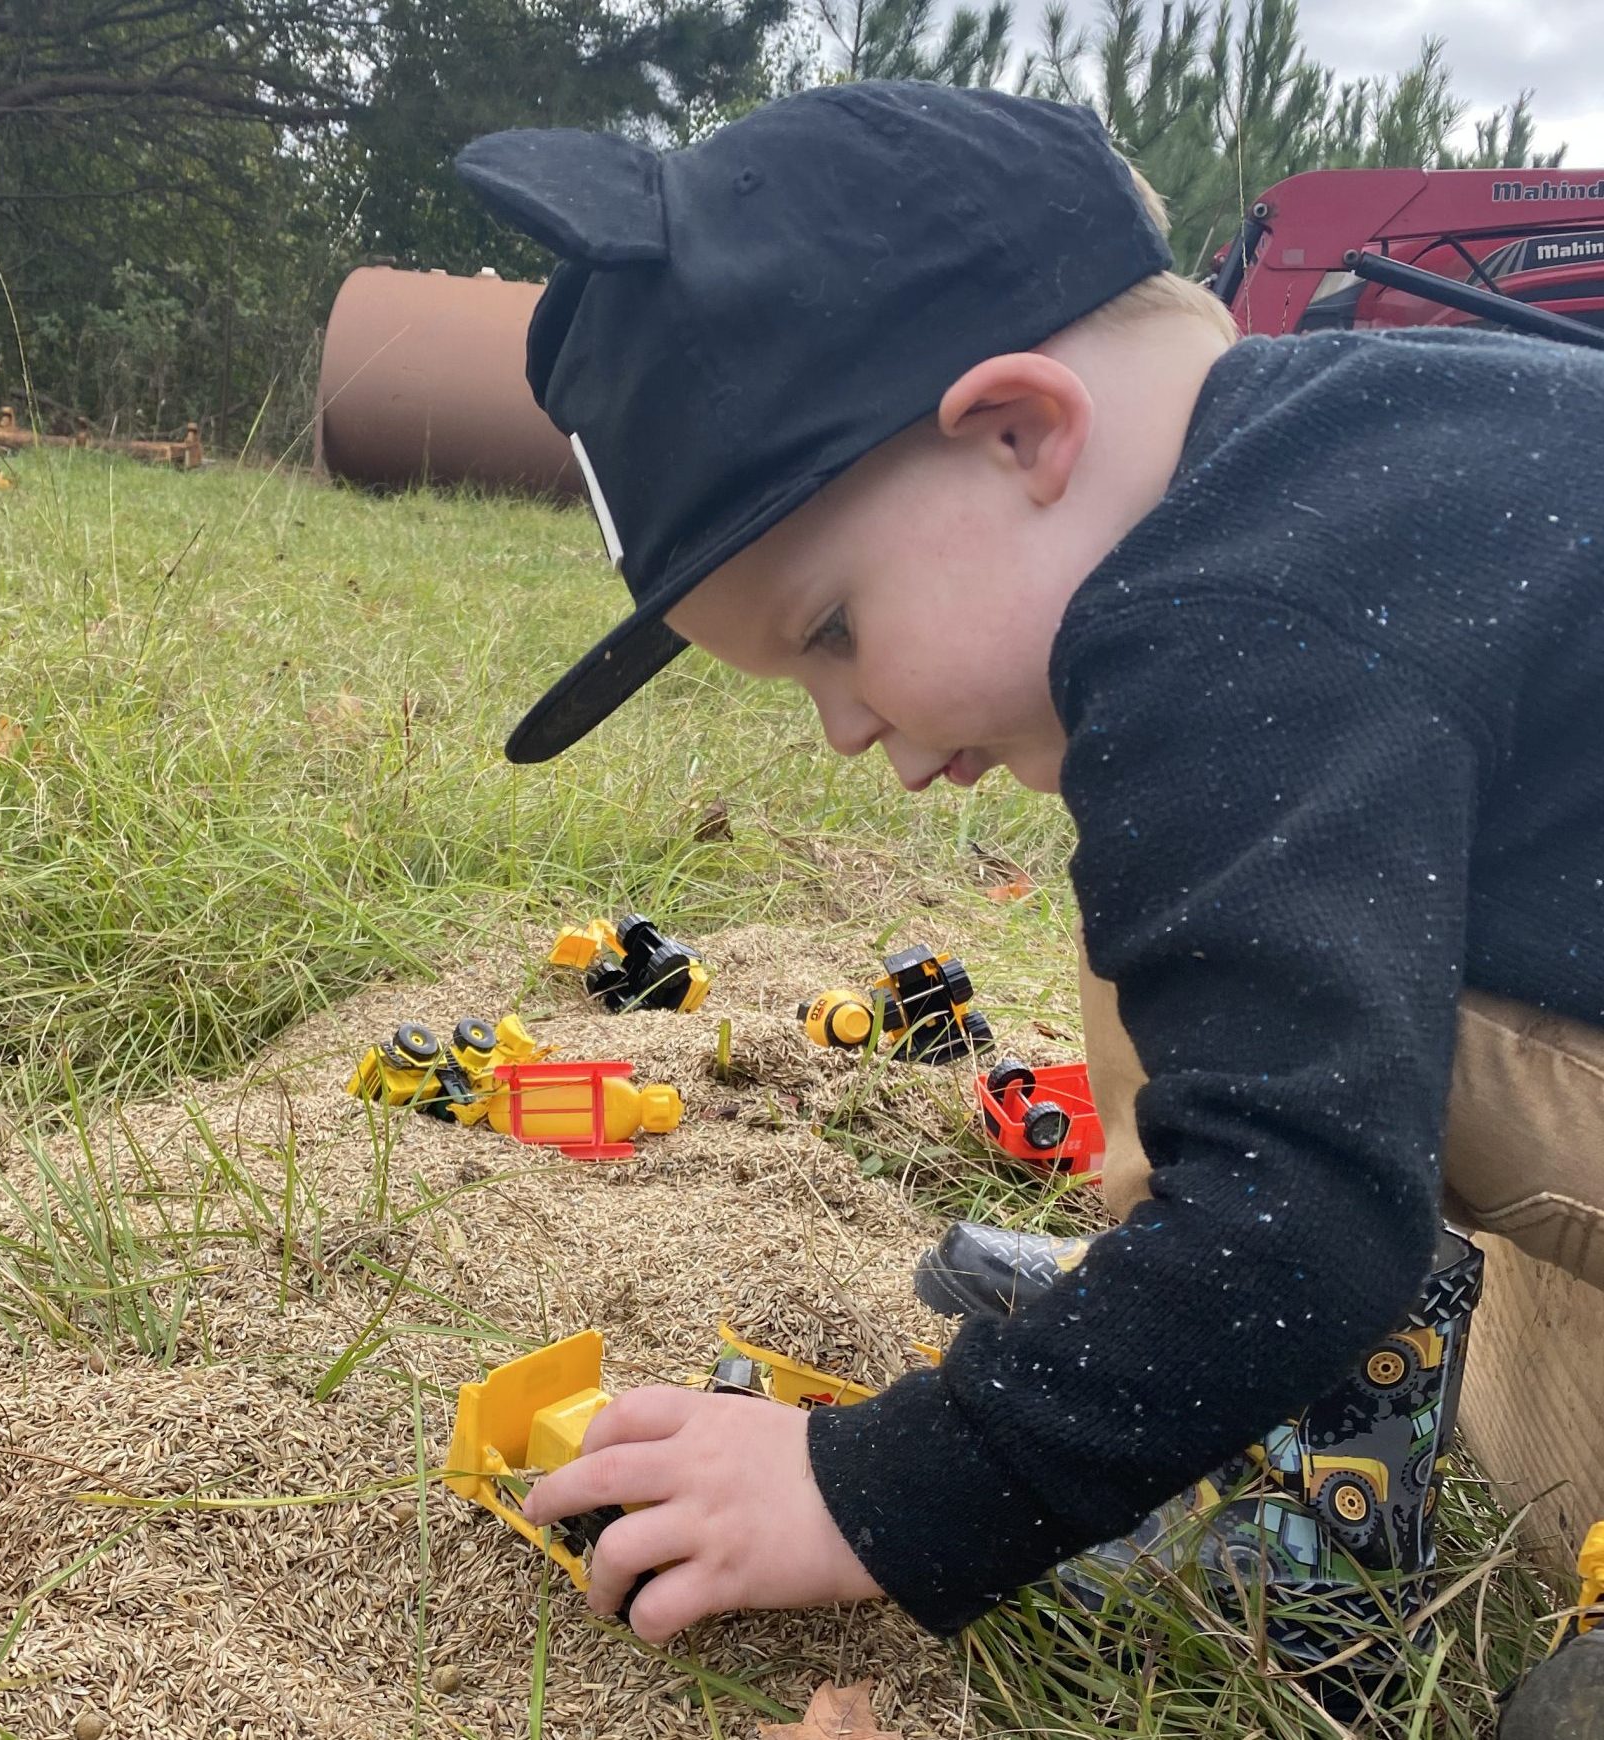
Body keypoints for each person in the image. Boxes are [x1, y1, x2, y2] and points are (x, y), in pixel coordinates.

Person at [451, 82, 1604, 1728]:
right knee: (1188, 894)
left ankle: (1262, 1425)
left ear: (1020, 430)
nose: (847, 728)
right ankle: (1246, 1381)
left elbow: (1309, 1211)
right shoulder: (1362, 451)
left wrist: (882, 1488)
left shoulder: (1222, 597)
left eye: (832, 631)